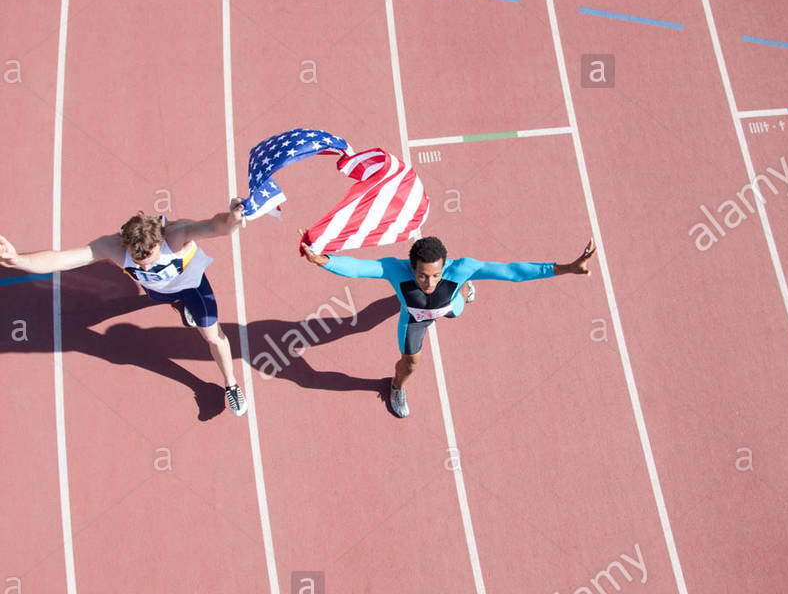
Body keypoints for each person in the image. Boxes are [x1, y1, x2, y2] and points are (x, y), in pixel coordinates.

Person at [300, 232, 596, 417]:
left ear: (445, 267)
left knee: (458, 303)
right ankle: (395, 388)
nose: (429, 282)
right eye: (422, 276)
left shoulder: (461, 268)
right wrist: (323, 260)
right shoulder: (395, 269)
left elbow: (513, 272)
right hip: (414, 318)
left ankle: (465, 291)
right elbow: (358, 268)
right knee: (410, 363)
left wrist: (568, 268)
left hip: (448, 307)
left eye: (436, 275)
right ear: (411, 267)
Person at [0, 203, 248, 415]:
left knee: (211, 336)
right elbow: (62, 258)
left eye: (150, 261)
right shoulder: (113, 247)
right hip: (157, 290)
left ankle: (231, 385)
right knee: (161, 293)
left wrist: (233, 219)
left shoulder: (178, 232)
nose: (147, 268)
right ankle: (179, 305)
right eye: (140, 264)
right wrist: (19, 260)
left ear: (159, 243)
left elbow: (216, 226)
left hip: (191, 286)